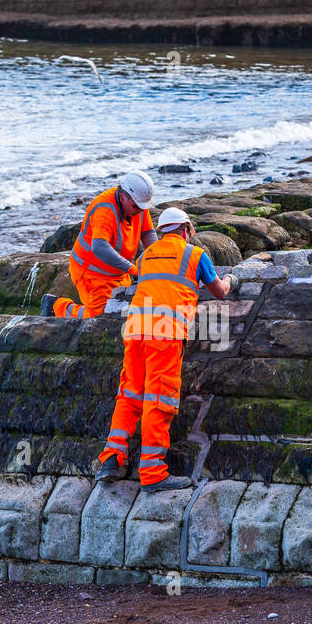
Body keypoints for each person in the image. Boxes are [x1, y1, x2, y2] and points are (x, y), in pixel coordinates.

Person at [95, 207, 236, 492]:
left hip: (135, 329)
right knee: (159, 399)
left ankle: (112, 459)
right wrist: (233, 280)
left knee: (130, 393)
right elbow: (219, 291)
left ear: (162, 231)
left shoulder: (146, 255)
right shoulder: (195, 254)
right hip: (165, 333)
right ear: (186, 230)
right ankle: (152, 473)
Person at [42, 171, 158, 319]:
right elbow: (99, 247)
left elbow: (148, 233)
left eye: (143, 207)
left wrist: (156, 259)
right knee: (100, 315)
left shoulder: (137, 203)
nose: (141, 211)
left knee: (125, 308)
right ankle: (56, 306)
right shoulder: (105, 210)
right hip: (92, 272)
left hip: (118, 271)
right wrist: (133, 269)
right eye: (137, 207)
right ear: (123, 197)